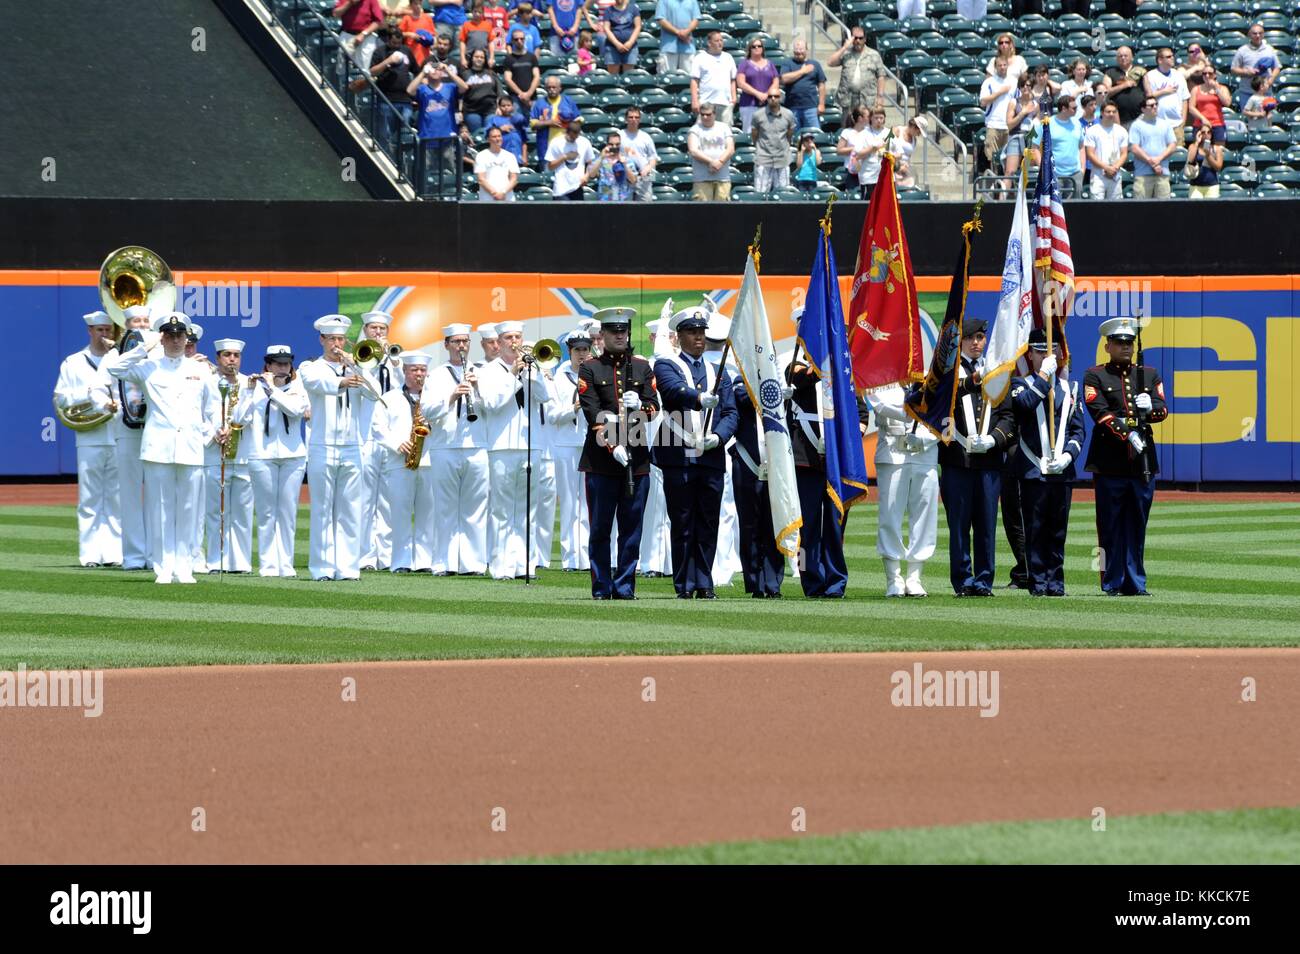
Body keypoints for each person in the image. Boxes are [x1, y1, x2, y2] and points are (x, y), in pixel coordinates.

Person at [105, 312, 221, 585]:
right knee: (160, 508)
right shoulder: (149, 366)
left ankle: (185, 566)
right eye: (170, 335)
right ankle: (164, 567)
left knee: (189, 510)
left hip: (191, 447)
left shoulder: (200, 369)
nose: (176, 340)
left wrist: (204, 436)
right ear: (162, 337)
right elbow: (115, 369)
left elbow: (213, 408)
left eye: (180, 335)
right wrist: (145, 347)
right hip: (158, 446)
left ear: (186, 337)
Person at [650, 306, 739, 599]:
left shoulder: (718, 369)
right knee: (683, 521)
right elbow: (673, 391)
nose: (699, 338)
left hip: (711, 455)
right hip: (678, 454)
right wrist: (700, 398)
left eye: (701, 333)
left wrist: (719, 436)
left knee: (708, 522)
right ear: (679, 336)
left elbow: (730, 413)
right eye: (692, 332)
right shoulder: (667, 364)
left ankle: (705, 581)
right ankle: (684, 583)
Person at [1084, 316, 1168, 597]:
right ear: (1108, 346)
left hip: (1141, 462)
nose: (1126, 347)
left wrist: (1149, 410)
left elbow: (1162, 410)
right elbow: (1099, 412)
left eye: (1129, 342)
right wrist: (1127, 432)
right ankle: (1111, 580)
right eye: (1119, 343)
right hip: (1109, 462)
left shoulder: (1149, 374)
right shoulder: (1095, 375)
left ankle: (1135, 582)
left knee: (1137, 524)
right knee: (1108, 526)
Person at [577, 308, 659, 599]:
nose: (620, 335)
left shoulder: (641, 366)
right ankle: (601, 587)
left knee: (631, 529)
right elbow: (592, 413)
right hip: (601, 460)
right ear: (603, 335)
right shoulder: (590, 368)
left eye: (623, 330)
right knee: (600, 528)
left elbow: (654, 407)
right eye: (614, 331)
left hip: (636, 459)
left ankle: (625, 586)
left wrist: (641, 406)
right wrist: (613, 445)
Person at [932, 319, 1017, 597]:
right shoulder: (948, 372)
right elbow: (940, 403)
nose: (976, 342)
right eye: (970, 338)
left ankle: (983, 581)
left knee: (986, 525)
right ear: (961, 342)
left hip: (990, 461)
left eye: (980, 337)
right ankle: (962, 581)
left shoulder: (998, 373)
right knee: (958, 526)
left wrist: (994, 438)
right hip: (957, 459)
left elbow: (1008, 416)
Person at [298, 314, 382, 582]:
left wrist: (356, 368)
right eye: (332, 338)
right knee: (323, 508)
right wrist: (341, 381)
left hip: (352, 445)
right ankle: (322, 568)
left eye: (341, 339)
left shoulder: (355, 366)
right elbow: (315, 384)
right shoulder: (311, 367)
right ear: (322, 340)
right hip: (323, 444)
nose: (337, 344)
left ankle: (348, 568)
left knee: (350, 508)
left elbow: (375, 393)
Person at [1009, 329, 1085, 597]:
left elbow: (1078, 431)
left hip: (1062, 472)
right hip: (1032, 470)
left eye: (1051, 351)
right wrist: (1043, 377)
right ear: (1030, 354)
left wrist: (1068, 456)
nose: (1046, 356)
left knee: (1057, 531)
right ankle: (1037, 583)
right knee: (1035, 529)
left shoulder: (1071, 388)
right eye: (1040, 351)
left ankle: (1056, 583)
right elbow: (1026, 404)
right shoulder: (1020, 384)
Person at [476, 319, 554, 579]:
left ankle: (525, 564)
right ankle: (501, 567)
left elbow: (544, 397)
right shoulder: (488, 371)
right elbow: (492, 403)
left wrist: (531, 373)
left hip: (532, 445)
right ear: (498, 343)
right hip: (501, 446)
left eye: (518, 337)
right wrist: (512, 376)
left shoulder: (531, 369)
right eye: (508, 337)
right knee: (501, 509)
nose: (514, 342)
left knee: (527, 509)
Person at [54, 310, 123, 568]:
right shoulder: (73, 362)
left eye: (108, 330)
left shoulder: (121, 360)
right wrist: (94, 397)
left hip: (117, 435)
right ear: (90, 332)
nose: (105, 335)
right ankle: (90, 554)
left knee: (116, 497)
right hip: (89, 436)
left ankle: (115, 553)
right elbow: (61, 398)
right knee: (90, 497)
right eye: (100, 330)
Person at [423, 324, 490, 575]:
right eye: (456, 342)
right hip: (445, 446)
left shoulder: (482, 372)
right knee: (445, 508)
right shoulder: (437, 375)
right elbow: (427, 411)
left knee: (475, 509)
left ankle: (472, 564)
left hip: (476, 445)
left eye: (465, 341)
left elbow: (493, 406)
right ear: (446, 344)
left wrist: (478, 389)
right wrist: (452, 396)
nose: (461, 346)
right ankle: (444, 562)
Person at [786, 341, 848, 599]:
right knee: (807, 528)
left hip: (834, 462)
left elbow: (861, 414)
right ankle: (811, 582)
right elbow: (800, 379)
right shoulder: (794, 365)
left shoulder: (845, 374)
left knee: (835, 526)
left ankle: (835, 582)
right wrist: (825, 364)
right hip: (806, 460)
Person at [867, 382, 938, 598]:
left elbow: (943, 408)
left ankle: (915, 577)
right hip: (892, 452)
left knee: (924, 515)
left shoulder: (929, 376)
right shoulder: (880, 378)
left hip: (925, 452)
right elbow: (880, 405)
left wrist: (926, 438)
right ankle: (894, 578)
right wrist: (915, 407)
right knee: (890, 516)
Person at [246, 345, 308, 578]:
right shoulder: (255, 388)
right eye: (278, 363)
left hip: (292, 456)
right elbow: (241, 417)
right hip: (262, 455)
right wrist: (250, 391)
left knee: (288, 512)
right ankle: (268, 564)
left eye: (286, 363)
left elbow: (294, 410)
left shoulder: (298, 387)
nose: (283, 367)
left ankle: (286, 563)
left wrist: (272, 389)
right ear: (268, 365)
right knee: (266, 512)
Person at [373, 352, 435, 573]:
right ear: (405, 371)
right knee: (398, 514)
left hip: (428, 461)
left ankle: (424, 561)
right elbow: (378, 428)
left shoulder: (434, 397)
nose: (419, 374)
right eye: (414, 370)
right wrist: (397, 443)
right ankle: (400, 561)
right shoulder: (389, 398)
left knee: (427, 515)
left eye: (422, 370)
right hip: (399, 462)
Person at [201, 338, 255, 574]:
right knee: (215, 512)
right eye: (227, 355)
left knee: (242, 514)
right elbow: (197, 414)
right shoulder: (207, 383)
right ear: (218, 358)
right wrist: (213, 433)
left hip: (243, 454)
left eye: (236, 355)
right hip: (215, 453)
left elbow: (254, 416)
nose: (232, 359)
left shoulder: (249, 383)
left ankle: (240, 562)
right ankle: (215, 560)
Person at [110, 305, 154, 571]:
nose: (142, 325)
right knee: (129, 493)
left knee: (155, 493)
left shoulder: (158, 352)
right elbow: (104, 384)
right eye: (137, 321)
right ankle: (134, 555)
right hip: (126, 428)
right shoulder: (115, 353)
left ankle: (154, 553)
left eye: (146, 320)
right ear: (127, 325)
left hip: (153, 427)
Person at [550, 330, 593, 570]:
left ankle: (586, 556)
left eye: (585, 349)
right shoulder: (559, 378)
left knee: (588, 503)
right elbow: (552, 415)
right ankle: (570, 556)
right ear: (571, 351)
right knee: (568, 502)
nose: (582, 354)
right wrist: (573, 409)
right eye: (577, 350)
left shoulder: (596, 373)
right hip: (565, 444)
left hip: (589, 443)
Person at [408, 59, 469, 194]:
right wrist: (422, 73)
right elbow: (410, 90)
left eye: (438, 69)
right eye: (433, 68)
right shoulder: (423, 89)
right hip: (427, 139)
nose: (436, 70)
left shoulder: (450, 88)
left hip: (447, 139)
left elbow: (464, 87)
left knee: (451, 175)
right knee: (425, 175)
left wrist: (447, 71)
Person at [367, 26, 418, 152]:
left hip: (405, 100)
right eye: (393, 42)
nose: (396, 45)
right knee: (385, 134)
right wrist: (388, 61)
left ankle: (401, 159)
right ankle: (385, 156)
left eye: (399, 43)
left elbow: (416, 70)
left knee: (404, 133)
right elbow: (372, 72)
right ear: (388, 40)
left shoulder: (406, 50)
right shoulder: (380, 51)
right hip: (386, 99)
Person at [1129, 96, 1177, 200]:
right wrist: (1152, 162)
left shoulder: (1165, 124)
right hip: (1143, 175)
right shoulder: (1136, 125)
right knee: (1141, 210)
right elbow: (1135, 148)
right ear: (1143, 109)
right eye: (1151, 105)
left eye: (1156, 104)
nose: (1155, 107)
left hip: (1162, 173)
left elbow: (1172, 145)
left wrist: (1158, 159)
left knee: (1163, 211)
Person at [749, 90, 796, 194]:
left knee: (783, 195)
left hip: (782, 158)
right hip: (763, 158)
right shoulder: (758, 115)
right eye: (770, 96)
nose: (773, 98)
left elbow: (789, 134)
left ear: (780, 98)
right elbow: (754, 135)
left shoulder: (788, 114)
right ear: (767, 98)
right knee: (760, 194)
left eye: (776, 96)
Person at [829, 26, 884, 116]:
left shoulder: (874, 55)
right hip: (848, 100)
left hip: (867, 100)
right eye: (855, 38)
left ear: (865, 39)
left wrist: (880, 97)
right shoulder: (846, 54)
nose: (858, 40)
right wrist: (844, 47)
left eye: (860, 38)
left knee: (866, 128)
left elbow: (881, 76)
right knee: (847, 128)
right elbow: (830, 62)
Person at [1230, 23, 1284, 112]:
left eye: (1260, 33)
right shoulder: (1242, 50)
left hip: (1265, 92)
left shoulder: (1269, 49)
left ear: (1263, 34)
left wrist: (1271, 79)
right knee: (1249, 119)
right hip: (1247, 92)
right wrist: (1246, 72)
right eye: (1254, 33)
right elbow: (1233, 69)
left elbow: (1277, 67)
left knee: (1267, 118)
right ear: (1249, 35)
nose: (1257, 36)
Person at [686, 104, 735, 201]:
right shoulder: (694, 129)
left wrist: (720, 162)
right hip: (702, 179)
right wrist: (711, 162)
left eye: (708, 114)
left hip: (723, 178)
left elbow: (731, 149)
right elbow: (693, 151)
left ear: (715, 114)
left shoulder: (724, 127)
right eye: (702, 114)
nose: (705, 117)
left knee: (723, 212)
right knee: (702, 212)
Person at [839, 105, 888, 200]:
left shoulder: (885, 132)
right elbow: (845, 151)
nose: (878, 120)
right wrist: (867, 149)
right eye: (874, 117)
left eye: (881, 118)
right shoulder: (857, 133)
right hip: (858, 172)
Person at [530, 73, 580, 165]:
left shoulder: (568, 101)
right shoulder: (539, 103)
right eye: (549, 87)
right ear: (545, 88)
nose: (551, 90)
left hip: (566, 147)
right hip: (546, 148)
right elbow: (533, 125)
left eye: (554, 87)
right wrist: (548, 123)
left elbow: (579, 120)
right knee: (547, 175)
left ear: (560, 88)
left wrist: (567, 123)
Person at [690, 31, 737, 128]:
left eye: (721, 40)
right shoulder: (700, 58)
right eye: (716, 41)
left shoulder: (728, 57)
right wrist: (695, 100)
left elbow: (733, 79)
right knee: (704, 133)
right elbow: (694, 81)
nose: (720, 43)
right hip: (706, 103)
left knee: (725, 134)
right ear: (709, 43)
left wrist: (734, 98)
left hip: (725, 104)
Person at [1085, 101, 1128, 201]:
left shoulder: (1121, 131)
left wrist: (1114, 168)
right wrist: (1106, 167)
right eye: (1108, 111)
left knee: (1116, 207)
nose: (1111, 114)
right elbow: (1090, 154)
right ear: (1102, 113)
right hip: (1098, 175)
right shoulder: (1092, 130)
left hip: (1116, 174)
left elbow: (1124, 153)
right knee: (1096, 207)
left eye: (1114, 111)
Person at [336, 0, 387, 84]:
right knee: (342, 66)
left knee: (364, 70)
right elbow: (335, 13)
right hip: (347, 33)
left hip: (366, 36)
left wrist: (364, 34)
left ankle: (362, 93)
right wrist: (350, 3)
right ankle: (341, 89)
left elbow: (378, 21)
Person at [737, 37, 781, 134]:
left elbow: (776, 81)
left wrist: (767, 95)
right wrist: (758, 94)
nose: (757, 48)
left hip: (768, 104)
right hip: (749, 104)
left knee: (768, 132)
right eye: (754, 46)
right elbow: (740, 83)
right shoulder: (744, 64)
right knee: (750, 131)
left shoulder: (770, 64)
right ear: (750, 49)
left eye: (759, 46)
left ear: (762, 48)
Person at [780, 40, 827, 131]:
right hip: (792, 108)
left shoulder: (815, 64)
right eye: (796, 49)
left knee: (814, 135)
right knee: (794, 137)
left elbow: (822, 85)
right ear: (793, 51)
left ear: (806, 50)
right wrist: (803, 71)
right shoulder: (788, 63)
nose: (799, 51)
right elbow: (783, 79)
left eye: (801, 49)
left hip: (811, 108)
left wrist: (821, 104)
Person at [546, 116, 597, 199]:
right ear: (567, 132)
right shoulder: (556, 143)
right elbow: (550, 166)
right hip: (561, 189)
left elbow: (590, 163)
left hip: (578, 187)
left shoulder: (584, 142)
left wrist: (586, 176)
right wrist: (565, 157)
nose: (574, 139)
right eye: (572, 137)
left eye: (576, 136)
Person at [980, 56, 1015, 174]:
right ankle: (994, 185)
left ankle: (1006, 188)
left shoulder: (1014, 82)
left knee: (1008, 159)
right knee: (992, 158)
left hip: (1009, 126)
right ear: (995, 67)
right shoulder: (989, 82)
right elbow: (983, 102)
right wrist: (1000, 92)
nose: (1002, 68)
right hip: (993, 125)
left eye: (1004, 65)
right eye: (999, 65)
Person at [1047, 95, 1086, 199]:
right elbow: (1035, 147)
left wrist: (1082, 169)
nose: (1077, 110)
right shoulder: (1047, 123)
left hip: (1075, 173)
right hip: (1054, 174)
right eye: (1074, 108)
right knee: (1055, 210)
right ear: (1063, 109)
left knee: (1076, 210)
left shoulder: (1077, 124)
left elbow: (1081, 147)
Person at [1144, 48, 1190, 131]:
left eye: (1172, 56)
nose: (1172, 58)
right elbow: (1148, 97)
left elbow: (1185, 99)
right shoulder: (1150, 76)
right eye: (1168, 57)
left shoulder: (1178, 75)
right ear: (1160, 60)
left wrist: (1183, 120)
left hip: (1177, 124)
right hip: (1157, 124)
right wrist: (1164, 91)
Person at [459, 47, 501, 132]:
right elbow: (460, 95)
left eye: (482, 57)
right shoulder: (465, 74)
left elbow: (499, 92)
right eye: (476, 57)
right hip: (471, 110)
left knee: (490, 133)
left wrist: (499, 107)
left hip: (491, 110)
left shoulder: (491, 73)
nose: (479, 59)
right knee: (477, 136)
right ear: (472, 58)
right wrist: (459, 111)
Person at [589, 129, 639, 201]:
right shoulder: (601, 160)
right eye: (611, 144)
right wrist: (601, 158)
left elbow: (633, 180)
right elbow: (592, 175)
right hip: (605, 200)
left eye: (617, 144)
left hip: (623, 200)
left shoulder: (627, 160)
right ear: (607, 144)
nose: (614, 147)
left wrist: (624, 164)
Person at [621, 106, 658, 201]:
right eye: (631, 117)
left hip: (644, 178)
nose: (634, 120)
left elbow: (653, 158)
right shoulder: (619, 135)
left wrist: (647, 169)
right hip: (624, 178)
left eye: (636, 117)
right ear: (626, 119)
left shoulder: (646, 137)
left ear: (640, 119)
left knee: (646, 209)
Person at [500, 29, 540, 115]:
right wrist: (521, 94)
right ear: (512, 41)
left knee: (534, 123)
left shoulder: (532, 57)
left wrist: (529, 94)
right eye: (516, 39)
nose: (519, 41)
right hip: (515, 99)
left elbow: (536, 76)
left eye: (522, 39)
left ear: (525, 39)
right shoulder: (509, 59)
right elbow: (507, 79)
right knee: (516, 124)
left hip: (532, 97)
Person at [475, 124, 521, 200]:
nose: (497, 139)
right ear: (488, 139)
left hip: (507, 199)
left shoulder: (510, 156)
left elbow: (514, 179)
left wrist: (503, 193)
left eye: (499, 136)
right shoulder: (481, 156)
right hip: (487, 200)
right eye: (494, 137)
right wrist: (494, 193)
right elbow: (481, 179)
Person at [1103, 45, 1146, 126]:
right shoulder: (1110, 72)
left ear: (1132, 57)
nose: (1123, 58)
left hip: (1141, 117)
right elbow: (1105, 92)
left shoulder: (1141, 71)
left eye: (1126, 55)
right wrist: (1123, 85)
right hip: (1119, 119)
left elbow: (1148, 92)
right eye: (1120, 56)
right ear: (1116, 59)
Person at [654, 0, 700, 73]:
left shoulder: (693, 1)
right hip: (668, 46)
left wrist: (687, 31)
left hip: (688, 46)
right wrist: (678, 32)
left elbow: (696, 19)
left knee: (690, 77)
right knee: (666, 77)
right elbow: (661, 19)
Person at [486, 94, 528, 165]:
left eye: (508, 105)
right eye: (503, 106)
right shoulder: (494, 119)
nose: (506, 108)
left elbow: (524, 141)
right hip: (500, 157)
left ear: (513, 107)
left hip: (517, 156)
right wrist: (500, 129)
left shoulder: (518, 120)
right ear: (499, 107)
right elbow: (487, 134)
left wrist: (524, 156)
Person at [1185, 124, 1224, 199]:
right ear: (1199, 134)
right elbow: (1190, 160)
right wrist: (1197, 142)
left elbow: (1218, 167)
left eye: (1209, 132)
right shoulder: (1193, 146)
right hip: (1195, 186)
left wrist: (1208, 155)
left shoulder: (1217, 149)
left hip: (1212, 186)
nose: (1206, 134)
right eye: (1203, 132)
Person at [888, 113, 927, 189]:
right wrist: (897, 166)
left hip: (903, 169)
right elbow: (886, 149)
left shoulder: (914, 140)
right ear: (913, 127)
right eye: (918, 132)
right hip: (892, 167)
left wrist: (904, 166)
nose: (919, 135)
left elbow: (908, 157)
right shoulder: (896, 130)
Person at [602, 0, 640, 74]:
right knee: (613, 77)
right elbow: (606, 28)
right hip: (612, 46)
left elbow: (638, 26)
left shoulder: (633, 9)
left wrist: (630, 42)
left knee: (629, 75)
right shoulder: (608, 10)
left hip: (631, 47)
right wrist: (617, 44)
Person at [458, 2, 497, 68]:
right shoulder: (466, 25)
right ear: (472, 12)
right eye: (475, 11)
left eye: (479, 12)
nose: (477, 14)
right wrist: (463, 58)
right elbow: (462, 42)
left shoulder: (488, 25)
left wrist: (491, 57)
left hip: (484, 57)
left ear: (483, 13)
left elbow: (491, 42)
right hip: (469, 57)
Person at [400, 1, 438, 68]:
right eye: (415, 4)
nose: (418, 6)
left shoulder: (427, 18)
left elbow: (433, 35)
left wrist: (432, 42)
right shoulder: (406, 18)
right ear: (411, 5)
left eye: (420, 4)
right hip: (410, 53)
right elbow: (399, 34)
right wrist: (409, 34)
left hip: (424, 54)